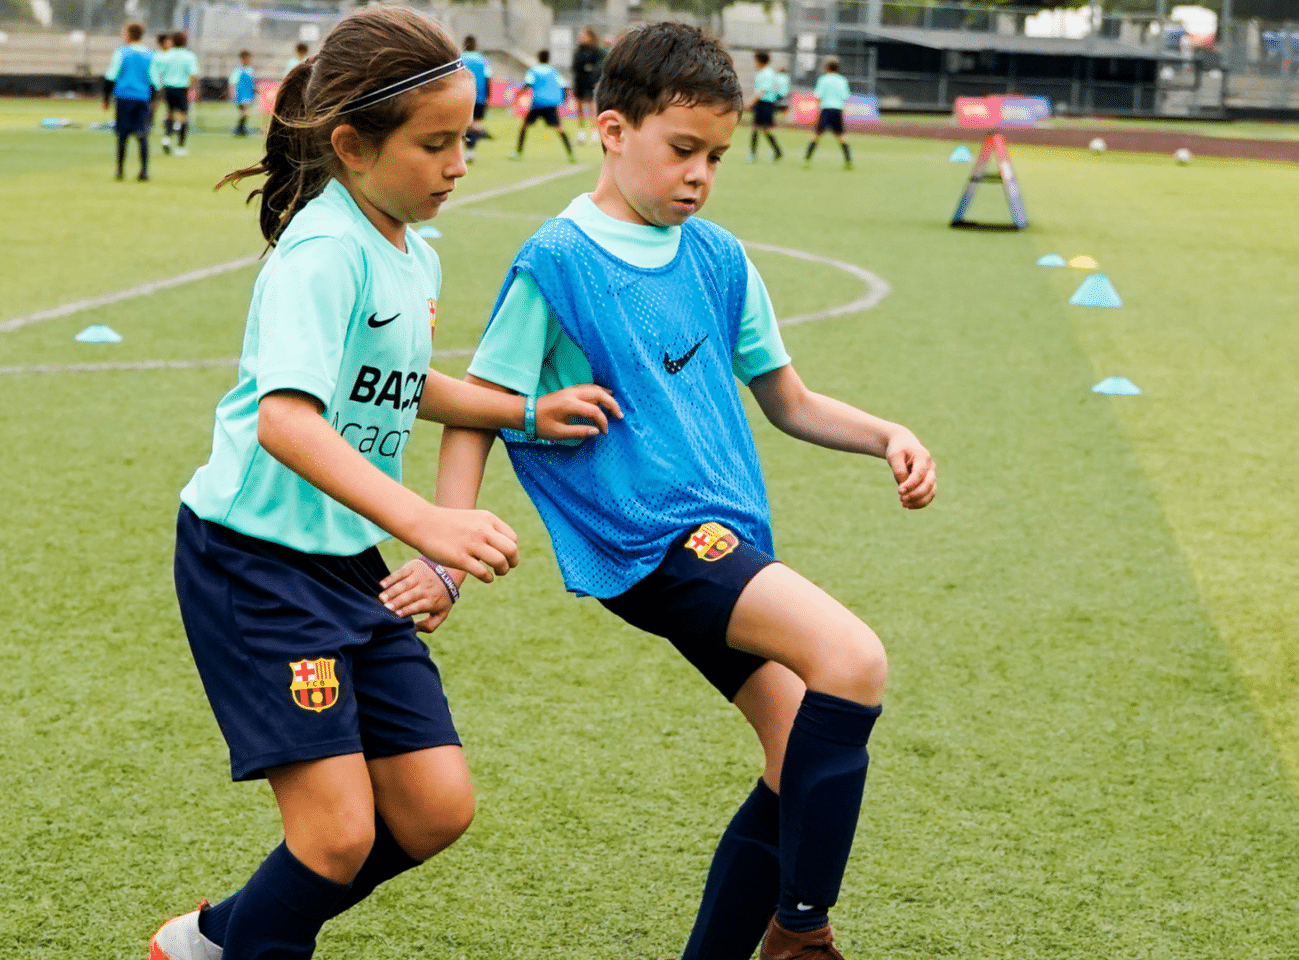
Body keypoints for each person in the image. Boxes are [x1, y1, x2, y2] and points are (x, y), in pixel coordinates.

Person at [435, 22, 936, 960]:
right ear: (612, 129)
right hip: (650, 543)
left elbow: (788, 401)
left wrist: (887, 436)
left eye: (715, 156)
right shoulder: (559, 261)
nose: (699, 174)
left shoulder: (718, 258)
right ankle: (801, 931)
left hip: (724, 535)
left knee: (796, 749)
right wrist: (445, 548)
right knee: (854, 660)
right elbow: (479, 406)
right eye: (681, 150)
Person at [149, 8, 621, 960]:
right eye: (435, 143)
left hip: (339, 564)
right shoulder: (322, 255)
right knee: (334, 835)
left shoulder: (408, 243)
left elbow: (401, 382)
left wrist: (522, 411)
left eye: (467, 141)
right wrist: (428, 521)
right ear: (352, 146)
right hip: (254, 564)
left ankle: (211, 943)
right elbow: (287, 419)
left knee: (435, 807)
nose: (458, 164)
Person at [102, 22, 157, 181]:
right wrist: (152, 99)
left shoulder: (122, 53)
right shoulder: (149, 54)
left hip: (124, 97)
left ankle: (120, 171)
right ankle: (144, 171)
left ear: (129, 34)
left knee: (122, 135)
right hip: (142, 98)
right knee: (142, 135)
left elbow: (111, 75)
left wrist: (106, 98)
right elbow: (154, 80)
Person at [511, 49, 573, 163]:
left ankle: (518, 152)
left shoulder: (534, 71)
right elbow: (564, 86)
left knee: (524, 126)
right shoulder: (554, 71)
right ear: (548, 59)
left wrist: (517, 94)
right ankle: (571, 153)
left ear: (538, 58)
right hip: (550, 104)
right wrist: (563, 99)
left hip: (538, 104)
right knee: (559, 129)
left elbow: (527, 84)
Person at [154, 31, 199, 155]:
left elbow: (160, 72)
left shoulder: (167, 55)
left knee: (169, 114)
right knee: (183, 116)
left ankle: (166, 138)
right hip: (182, 88)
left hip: (168, 88)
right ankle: (180, 146)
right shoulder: (189, 56)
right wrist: (192, 88)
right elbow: (193, 75)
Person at [804, 56, 852, 170]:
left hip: (826, 109)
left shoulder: (823, 79)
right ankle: (848, 160)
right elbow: (845, 97)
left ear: (826, 67)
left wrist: (817, 110)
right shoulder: (842, 80)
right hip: (838, 110)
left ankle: (807, 159)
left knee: (816, 135)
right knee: (841, 136)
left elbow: (818, 96)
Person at [746, 50, 782, 163]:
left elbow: (763, 90)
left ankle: (753, 155)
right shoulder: (764, 72)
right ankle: (777, 152)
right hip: (763, 103)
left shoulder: (767, 73)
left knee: (757, 128)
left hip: (765, 103)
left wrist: (752, 102)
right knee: (764, 130)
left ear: (759, 61)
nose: (754, 63)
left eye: (755, 61)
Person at [460, 34, 491, 162]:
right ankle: (470, 152)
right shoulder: (483, 60)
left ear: (464, 45)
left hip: (461, 96)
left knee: (463, 125)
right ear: (476, 46)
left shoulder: (459, 58)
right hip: (479, 97)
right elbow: (488, 79)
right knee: (475, 124)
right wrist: (488, 97)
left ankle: (465, 152)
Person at [571, 27, 604, 145]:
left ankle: (595, 134)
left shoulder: (596, 51)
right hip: (579, 82)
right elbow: (575, 66)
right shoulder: (578, 51)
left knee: (592, 109)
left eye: (583, 36)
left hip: (591, 83)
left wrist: (592, 71)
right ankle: (581, 134)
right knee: (579, 109)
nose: (581, 38)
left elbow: (598, 67)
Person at [229, 50, 257, 137]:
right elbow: (232, 82)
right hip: (242, 95)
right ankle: (239, 129)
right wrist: (232, 93)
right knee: (245, 112)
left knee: (245, 113)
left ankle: (241, 129)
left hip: (249, 95)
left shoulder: (250, 70)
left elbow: (252, 83)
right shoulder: (239, 70)